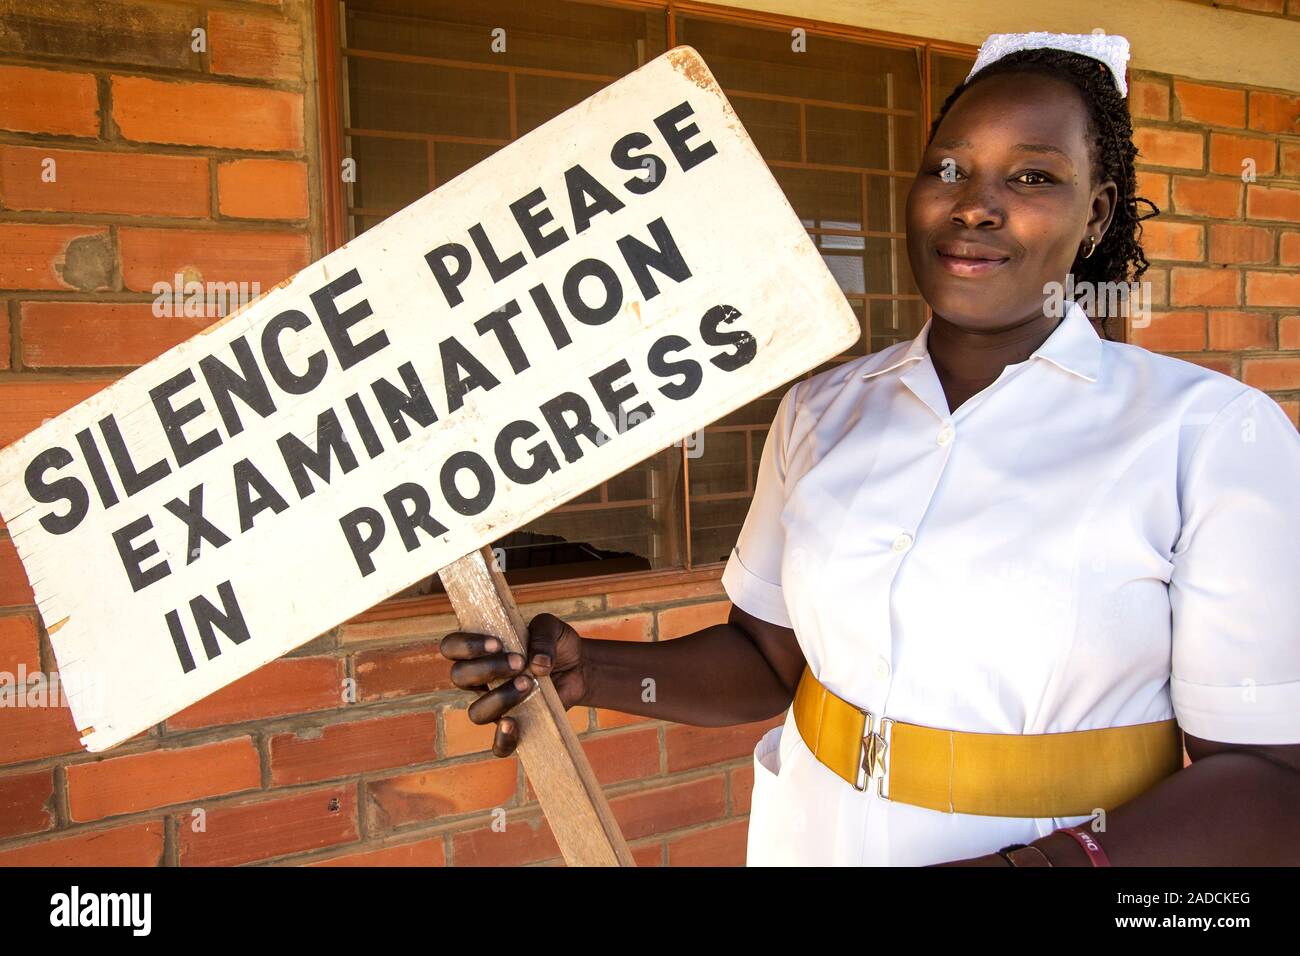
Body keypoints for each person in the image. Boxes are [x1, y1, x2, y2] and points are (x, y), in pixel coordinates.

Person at [439, 31, 1300, 866]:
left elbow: (1267, 786)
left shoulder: (1207, 439)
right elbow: (769, 659)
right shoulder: (822, 412)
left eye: (1033, 176)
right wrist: (595, 674)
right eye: (949, 168)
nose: (975, 203)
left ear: (1096, 212)